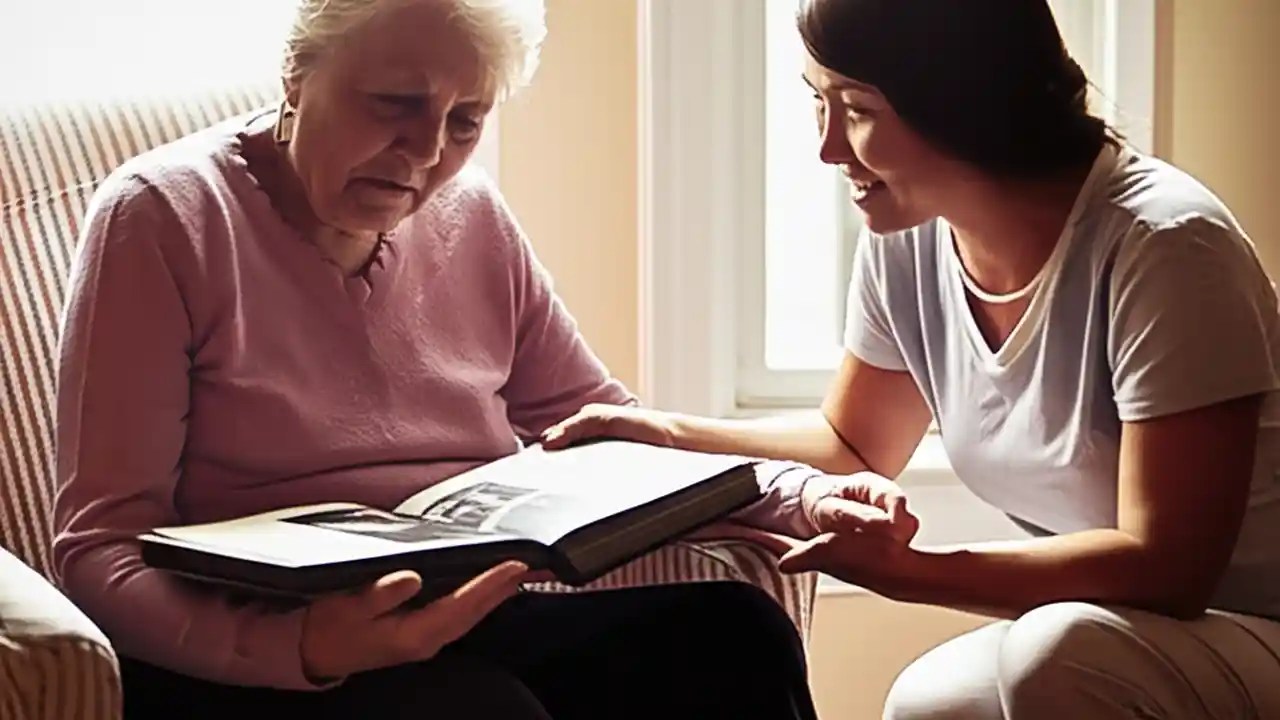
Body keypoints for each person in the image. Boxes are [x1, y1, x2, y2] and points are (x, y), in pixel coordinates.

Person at [51, 1, 830, 717]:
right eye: (395, 104)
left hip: (464, 612)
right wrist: (303, 647)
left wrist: (804, 500)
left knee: (732, 635)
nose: (425, 153)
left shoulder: (472, 212)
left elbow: (605, 430)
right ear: (297, 74)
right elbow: (97, 551)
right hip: (256, 650)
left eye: (465, 122)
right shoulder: (160, 217)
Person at [543, 0, 1280, 718]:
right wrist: (664, 436)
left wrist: (919, 574)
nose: (828, 146)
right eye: (818, 102)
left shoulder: (1167, 245)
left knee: (1057, 655)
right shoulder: (909, 241)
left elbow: (1170, 570)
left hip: (1251, 620)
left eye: (857, 109)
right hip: (1135, 631)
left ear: (960, 96)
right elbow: (853, 446)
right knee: (933, 702)